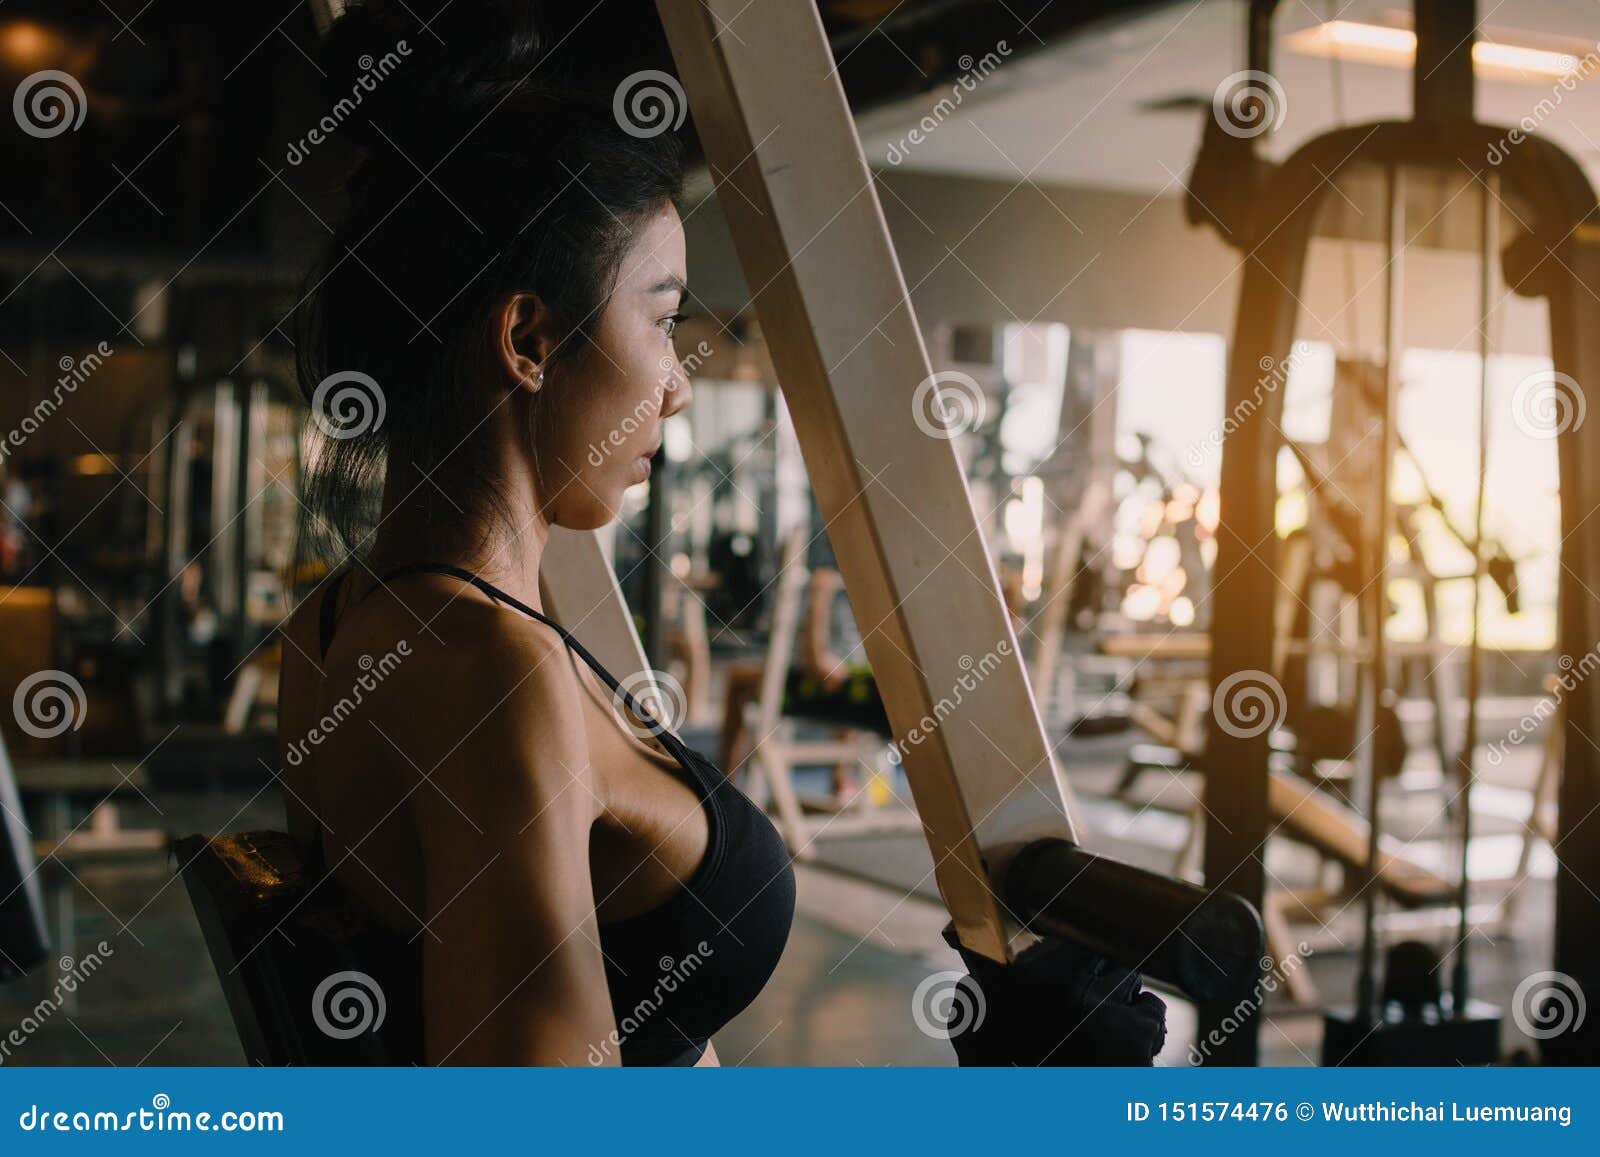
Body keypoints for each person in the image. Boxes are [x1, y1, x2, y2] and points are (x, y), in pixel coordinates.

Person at [275, 1, 794, 1067]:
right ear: (528, 336)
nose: (679, 385)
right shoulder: (490, 672)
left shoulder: (327, 627)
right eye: (662, 320)